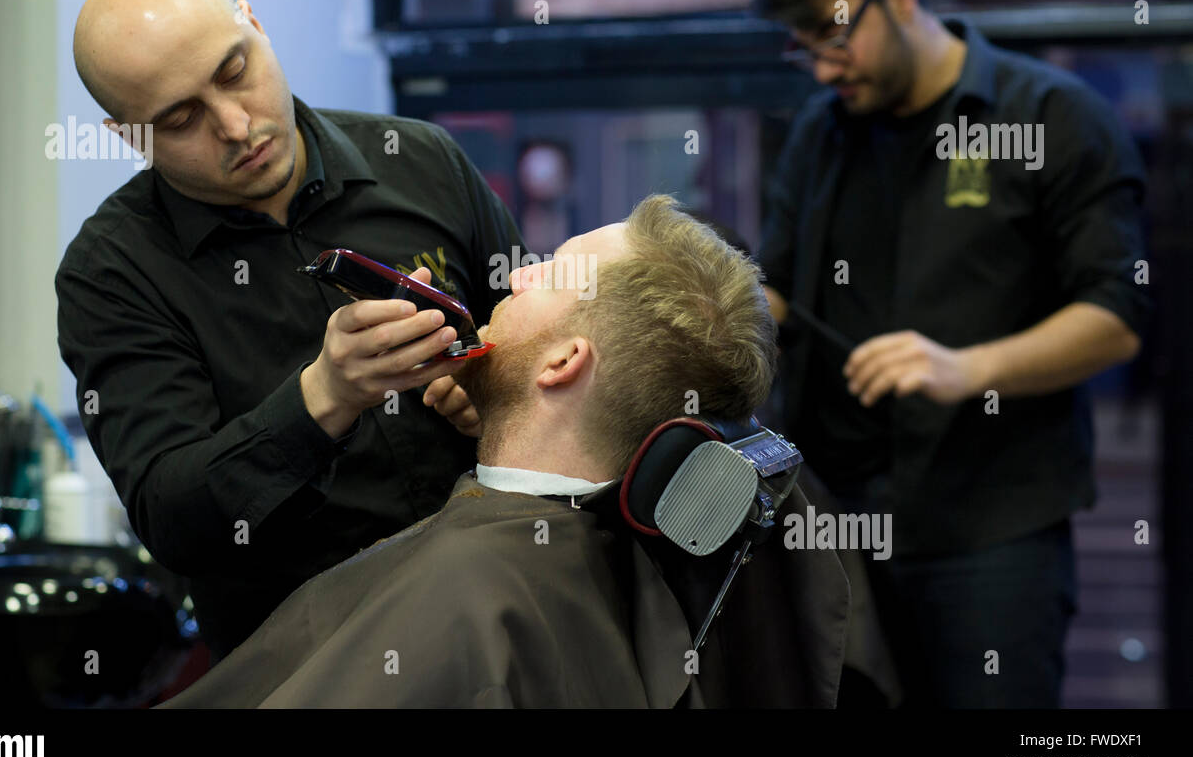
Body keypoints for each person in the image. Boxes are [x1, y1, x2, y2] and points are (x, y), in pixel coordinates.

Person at [158, 195, 860, 708]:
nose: (514, 278)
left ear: (562, 363)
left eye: (547, 272)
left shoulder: (475, 594)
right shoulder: (611, 567)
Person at [56, 0, 525, 660]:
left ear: (255, 23)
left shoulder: (422, 161)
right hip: (305, 669)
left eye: (235, 70)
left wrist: (495, 387)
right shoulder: (112, 273)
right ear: (131, 137)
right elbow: (173, 515)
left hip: (501, 617)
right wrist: (321, 399)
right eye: (181, 119)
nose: (238, 126)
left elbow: (547, 354)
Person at [756, 0, 1150, 707]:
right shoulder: (821, 133)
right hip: (837, 522)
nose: (826, 69)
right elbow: (781, 290)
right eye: (805, 49)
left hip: (989, 531)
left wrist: (968, 367)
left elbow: (1116, 314)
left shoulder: (1048, 117)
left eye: (835, 39)